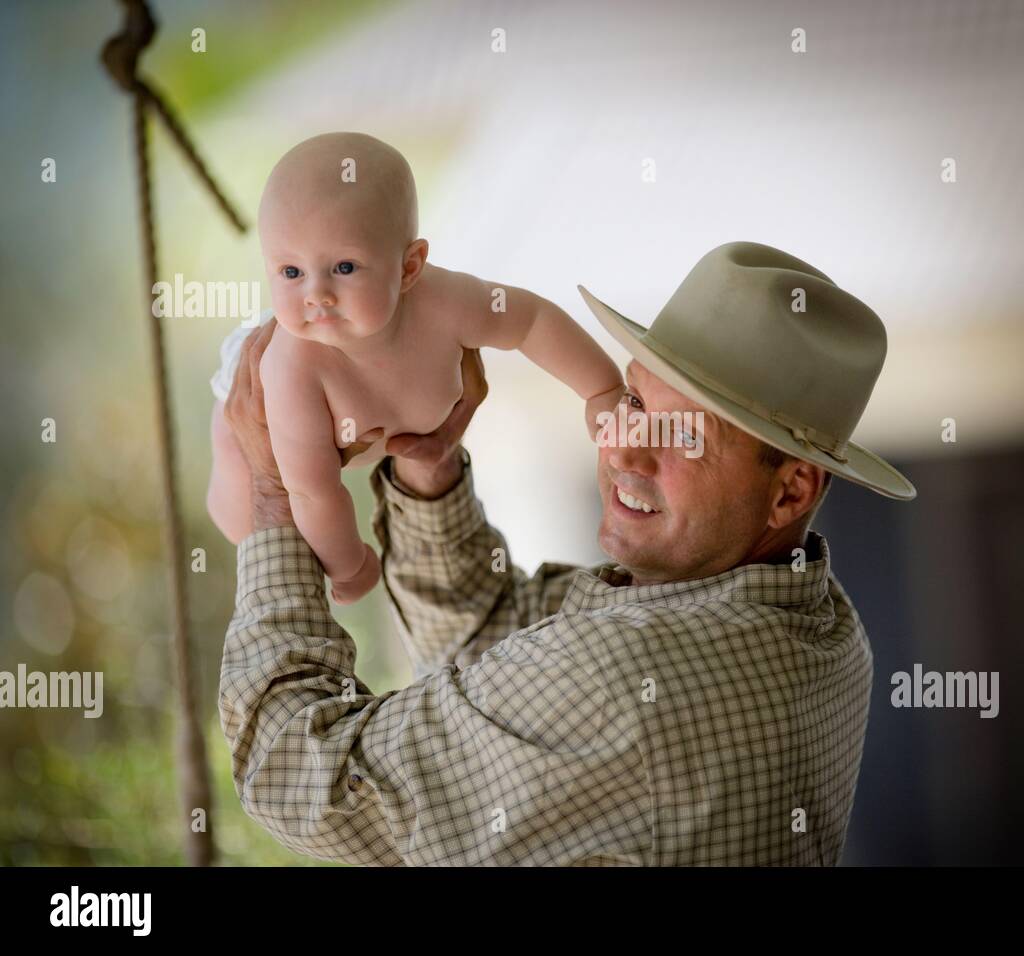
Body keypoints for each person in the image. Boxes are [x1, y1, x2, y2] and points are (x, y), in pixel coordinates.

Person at [218, 241, 917, 865]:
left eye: (686, 436)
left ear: (791, 492)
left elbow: (302, 778)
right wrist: (427, 468)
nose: (622, 445)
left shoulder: (632, 676)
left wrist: (273, 500)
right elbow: (484, 643)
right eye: (635, 400)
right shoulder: (819, 623)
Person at [206, 131, 623, 603]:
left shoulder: (447, 303)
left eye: (344, 267)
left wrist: (602, 389)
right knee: (242, 512)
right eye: (290, 272)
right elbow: (310, 491)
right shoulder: (290, 366)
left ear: (409, 267)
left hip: (381, 429)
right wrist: (349, 567)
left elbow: (530, 321)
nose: (315, 294)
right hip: (256, 405)